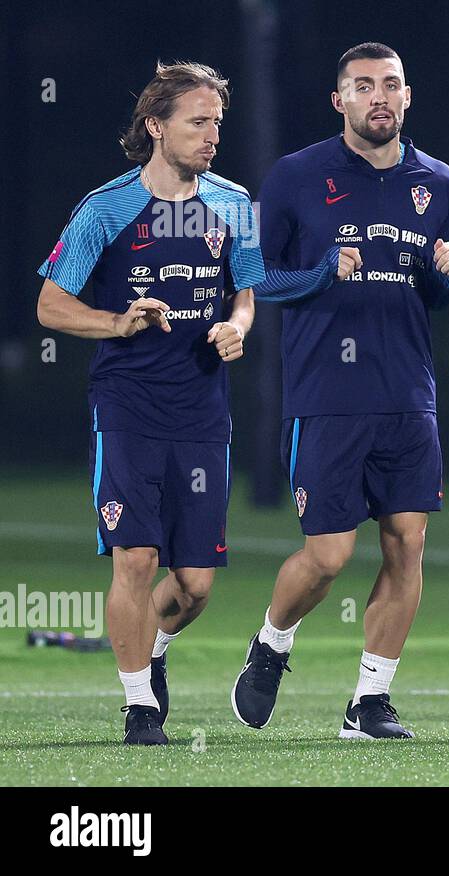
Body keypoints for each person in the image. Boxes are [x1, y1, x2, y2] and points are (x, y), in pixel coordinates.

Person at [231, 43, 449, 740]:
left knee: (407, 546)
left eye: (390, 85)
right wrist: (319, 271)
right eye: (363, 87)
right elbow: (255, 276)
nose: (379, 98)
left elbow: (439, 289)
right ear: (340, 101)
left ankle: (369, 704)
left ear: (407, 95)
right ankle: (272, 641)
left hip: (408, 397)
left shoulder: (439, 183)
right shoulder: (297, 176)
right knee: (328, 556)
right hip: (326, 395)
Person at [36, 61, 264, 745]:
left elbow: (246, 295)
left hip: (202, 407)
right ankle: (139, 709)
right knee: (135, 559)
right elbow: (50, 304)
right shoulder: (105, 208)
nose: (212, 135)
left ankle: (153, 655)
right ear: (155, 125)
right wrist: (115, 322)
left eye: (218, 122)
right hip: (128, 402)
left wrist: (236, 327)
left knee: (193, 584)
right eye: (198, 121)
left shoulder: (235, 204)